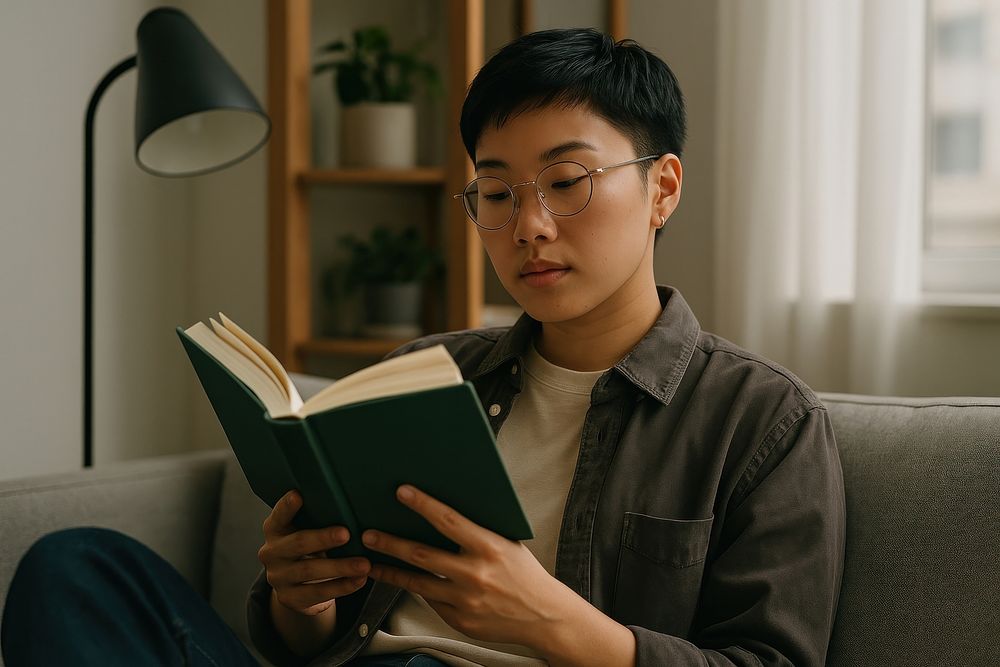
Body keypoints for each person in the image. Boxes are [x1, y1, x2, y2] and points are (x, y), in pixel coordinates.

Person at [1, 27, 845, 667]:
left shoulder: (761, 421)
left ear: (661, 187)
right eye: (496, 192)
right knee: (75, 567)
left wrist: (549, 620)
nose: (530, 225)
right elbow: (304, 641)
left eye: (565, 181)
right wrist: (305, 601)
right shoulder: (435, 373)